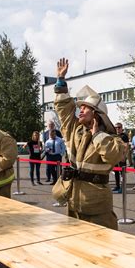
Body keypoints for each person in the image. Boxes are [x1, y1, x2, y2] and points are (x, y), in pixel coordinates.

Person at [54, 58, 124, 230]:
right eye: (81, 107)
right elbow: (63, 110)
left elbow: (114, 155)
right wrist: (61, 81)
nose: (81, 110)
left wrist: (97, 136)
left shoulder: (112, 139)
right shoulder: (75, 131)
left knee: (103, 248)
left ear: (97, 114)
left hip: (97, 205)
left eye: (85, 108)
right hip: (73, 199)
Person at [112, 122, 129, 194]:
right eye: (116, 127)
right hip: (115, 157)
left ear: (121, 128)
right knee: (116, 172)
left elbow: (126, 146)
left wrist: (124, 156)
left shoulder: (124, 136)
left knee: (122, 173)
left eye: (119, 127)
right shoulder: (114, 136)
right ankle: (117, 186)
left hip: (121, 157)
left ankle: (122, 187)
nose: (117, 129)